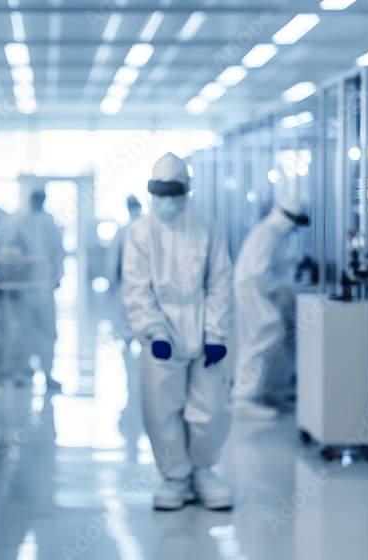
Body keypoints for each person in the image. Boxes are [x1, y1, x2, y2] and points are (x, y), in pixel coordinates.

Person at [122, 152, 235, 511]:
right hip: (162, 339)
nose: (166, 203)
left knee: (210, 408)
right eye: (160, 195)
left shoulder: (206, 227)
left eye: (173, 195)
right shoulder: (140, 232)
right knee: (161, 409)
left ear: (187, 193)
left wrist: (216, 333)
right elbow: (136, 287)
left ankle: (203, 473)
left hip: (203, 333)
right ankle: (174, 478)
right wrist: (154, 332)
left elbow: (220, 281)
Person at [231, 198, 310, 422]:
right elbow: (258, 273)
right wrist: (280, 289)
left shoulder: (272, 233)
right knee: (261, 340)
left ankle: (269, 391)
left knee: (268, 341)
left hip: (257, 294)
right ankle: (244, 398)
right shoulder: (268, 233)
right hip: (255, 295)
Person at [0, 188, 66, 392]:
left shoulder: (49, 222)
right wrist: (11, 278)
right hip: (23, 288)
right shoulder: (16, 223)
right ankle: (20, 372)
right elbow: (7, 254)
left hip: (44, 288)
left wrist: (58, 276)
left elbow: (58, 252)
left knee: (47, 331)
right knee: (20, 332)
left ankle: (48, 373)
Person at [106, 195, 144, 459]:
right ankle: (141, 354)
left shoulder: (123, 230)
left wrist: (111, 284)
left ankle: (130, 349)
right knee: (142, 325)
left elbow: (112, 262)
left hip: (126, 288)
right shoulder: (148, 227)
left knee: (126, 329)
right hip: (145, 289)